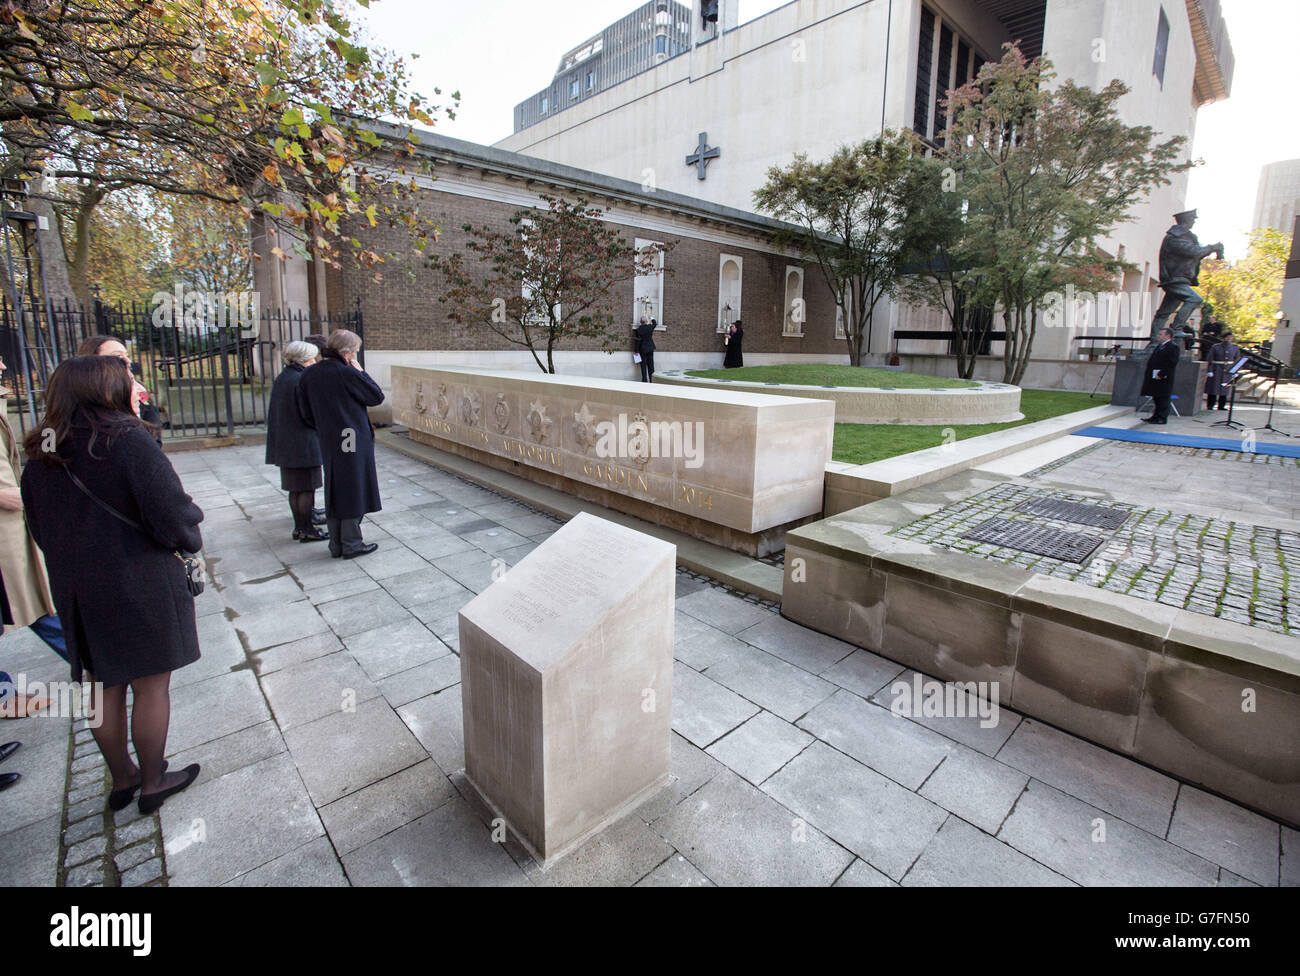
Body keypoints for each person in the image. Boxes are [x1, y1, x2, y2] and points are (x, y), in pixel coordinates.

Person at [20, 356, 202, 813]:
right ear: (108, 391)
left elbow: (39, 528)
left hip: (80, 589)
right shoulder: (127, 442)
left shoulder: (41, 452)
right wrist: (189, 534)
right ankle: (154, 781)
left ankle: (123, 779)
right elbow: (172, 514)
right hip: (137, 581)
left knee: (104, 685)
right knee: (151, 686)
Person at [0, 354, 67, 686]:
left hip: (16, 534)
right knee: (41, 606)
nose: (2, 367)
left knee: (40, 604)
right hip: (8, 537)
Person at [295, 330, 384, 559]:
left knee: (335, 487)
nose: (356, 355)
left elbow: (305, 413)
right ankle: (351, 544)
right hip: (351, 438)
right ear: (346, 353)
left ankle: (337, 544)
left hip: (330, 438)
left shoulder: (309, 374)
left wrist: (326, 429)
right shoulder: (347, 373)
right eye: (355, 352)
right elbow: (376, 396)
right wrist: (361, 371)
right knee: (353, 486)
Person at [266, 341, 328, 542]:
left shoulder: (285, 376)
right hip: (302, 443)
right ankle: (306, 529)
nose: (314, 361)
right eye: (312, 358)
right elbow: (309, 414)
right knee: (306, 488)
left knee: (296, 489)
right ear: (303, 359)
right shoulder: (300, 379)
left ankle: (300, 526)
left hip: (288, 442)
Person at [1149, 210, 1223, 343]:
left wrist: (1211, 249)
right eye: (1192, 219)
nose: (1194, 222)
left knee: (1163, 313)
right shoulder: (1176, 237)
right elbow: (1194, 252)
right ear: (1186, 220)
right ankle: (1177, 328)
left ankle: (1154, 342)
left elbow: (1196, 253)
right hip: (1174, 279)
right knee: (1194, 299)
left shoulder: (1182, 236)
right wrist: (1213, 247)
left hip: (1179, 278)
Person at [76, 335, 162, 438]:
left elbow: (153, 423)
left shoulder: (139, 389)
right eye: (118, 356)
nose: (127, 361)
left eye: (127, 356)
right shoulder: (86, 398)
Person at [1141, 327, 1180, 424]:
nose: (1158, 336)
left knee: (1163, 398)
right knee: (1156, 397)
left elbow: (1171, 363)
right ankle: (1155, 416)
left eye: (1161, 334)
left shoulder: (1173, 347)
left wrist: (1162, 373)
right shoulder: (1160, 346)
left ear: (1168, 336)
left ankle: (1161, 418)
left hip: (1163, 377)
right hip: (1154, 376)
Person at [1205, 329, 1241, 411]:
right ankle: (1210, 404)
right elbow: (1210, 359)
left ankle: (1221, 405)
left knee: (1225, 388)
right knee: (1213, 387)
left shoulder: (1235, 348)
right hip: (1217, 368)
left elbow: (1237, 360)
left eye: (1230, 337)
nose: (1228, 339)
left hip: (1228, 369)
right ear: (1224, 338)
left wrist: (1235, 371)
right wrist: (1210, 370)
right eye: (1227, 337)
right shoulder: (1216, 347)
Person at [633, 317, 657, 382]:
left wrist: (636, 351)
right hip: (650, 348)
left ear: (640, 322)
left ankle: (644, 380)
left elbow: (637, 341)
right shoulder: (650, 327)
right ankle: (652, 380)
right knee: (651, 365)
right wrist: (652, 318)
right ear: (646, 322)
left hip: (643, 349)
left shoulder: (638, 330)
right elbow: (655, 324)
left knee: (643, 365)